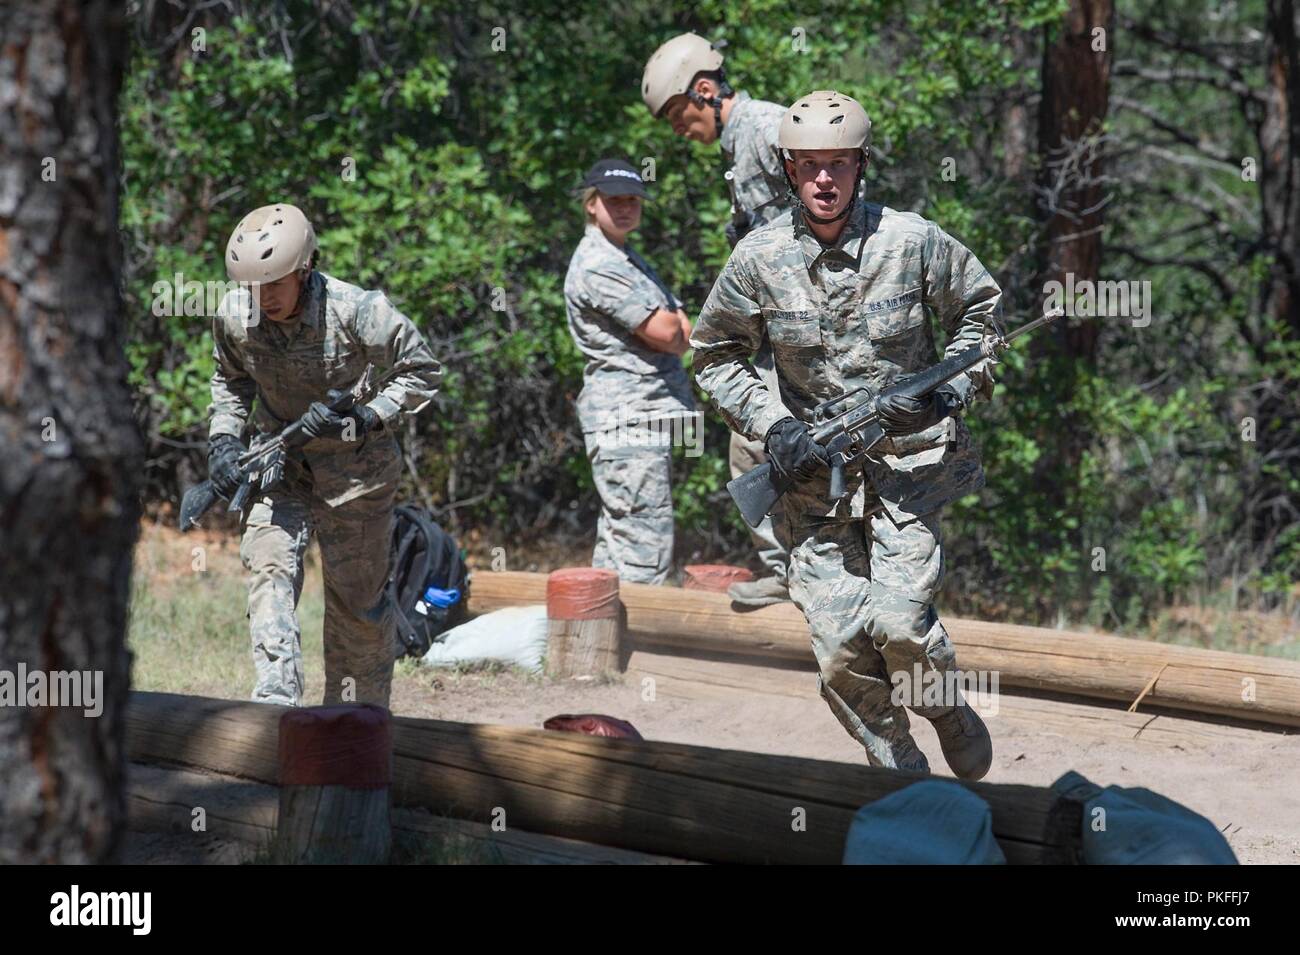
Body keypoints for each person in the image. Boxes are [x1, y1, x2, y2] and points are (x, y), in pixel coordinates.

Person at [689, 92, 997, 778]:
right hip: (811, 486)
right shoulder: (758, 258)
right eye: (809, 166)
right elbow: (713, 354)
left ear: (862, 166)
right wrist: (775, 427)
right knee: (839, 652)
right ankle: (900, 770)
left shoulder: (912, 241)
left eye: (839, 164)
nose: (824, 180)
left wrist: (947, 394)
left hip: (905, 473)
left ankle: (945, 708)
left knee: (899, 625)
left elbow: (983, 315)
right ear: (789, 169)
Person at [208, 202, 442, 708]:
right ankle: (276, 710)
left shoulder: (358, 309)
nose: (261, 297)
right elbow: (229, 382)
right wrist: (224, 440)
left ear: (305, 268)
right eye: (251, 286)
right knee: (269, 572)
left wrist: (366, 417)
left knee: (357, 606)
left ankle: (355, 728)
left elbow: (421, 371)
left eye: (273, 283)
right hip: (279, 468)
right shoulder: (232, 315)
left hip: (357, 478)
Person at [642, 31, 793, 606]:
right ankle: (794, 572)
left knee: (760, 443)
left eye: (678, 114)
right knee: (756, 444)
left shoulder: (768, 127)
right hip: (774, 333)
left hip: (807, 331)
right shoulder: (740, 143)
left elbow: (838, 207)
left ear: (703, 91)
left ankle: (807, 574)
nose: (677, 130)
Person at [563, 159, 696, 584]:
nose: (625, 208)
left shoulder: (625, 256)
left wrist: (676, 327)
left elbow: (683, 331)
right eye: (613, 199)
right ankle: (639, 646)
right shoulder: (600, 263)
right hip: (627, 416)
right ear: (591, 204)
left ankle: (599, 643)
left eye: (633, 200)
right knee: (643, 543)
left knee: (624, 536)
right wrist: (675, 325)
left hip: (643, 414)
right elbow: (669, 330)